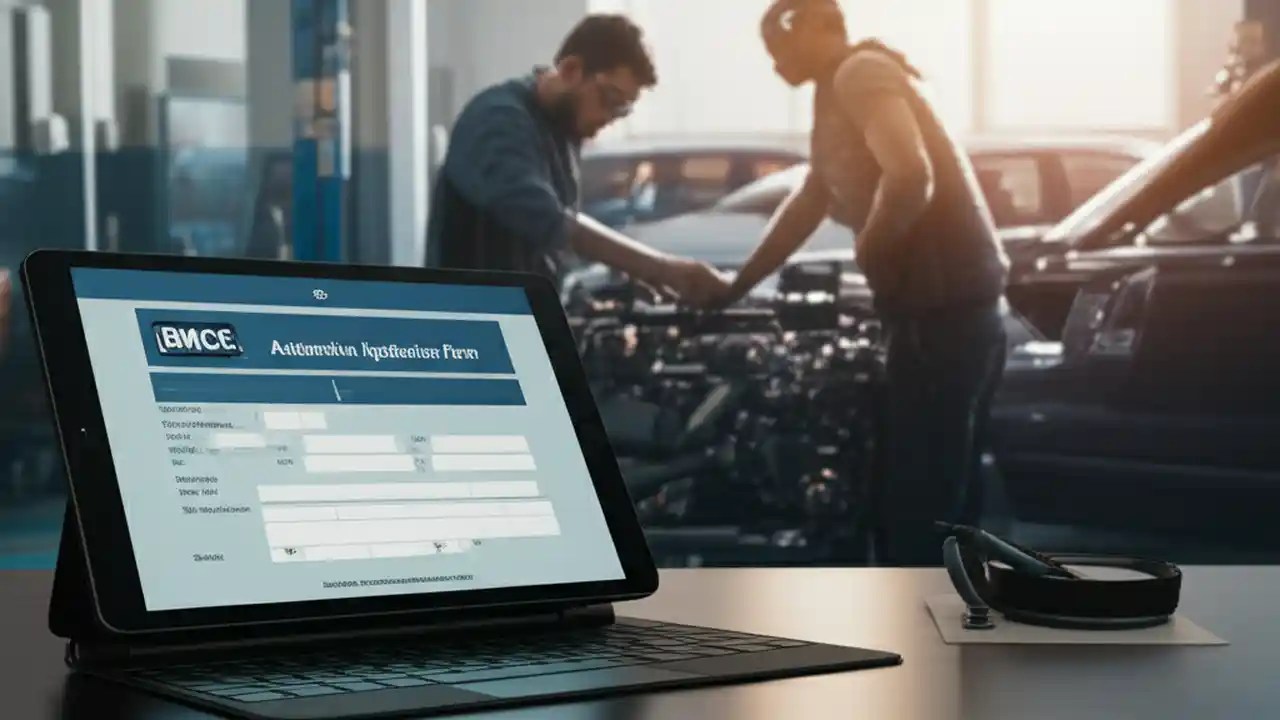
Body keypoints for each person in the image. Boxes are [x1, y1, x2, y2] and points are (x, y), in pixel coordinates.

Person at [710, 0, 1011, 565]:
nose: (775, 64)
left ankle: (918, 614)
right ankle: (941, 607)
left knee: (921, 502)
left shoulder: (860, 73)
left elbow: (910, 176)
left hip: (941, 316)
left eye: (779, 46)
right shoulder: (837, 89)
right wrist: (737, 285)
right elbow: (811, 199)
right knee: (937, 491)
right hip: (942, 315)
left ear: (813, 26)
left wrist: (870, 250)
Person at [427, 14, 727, 304]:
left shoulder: (563, 131)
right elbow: (550, 222)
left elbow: (549, 252)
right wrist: (659, 268)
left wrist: (613, 286)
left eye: (622, 110)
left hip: (516, 316)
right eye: (610, 100)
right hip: (467, 323)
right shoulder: (497, 119)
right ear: (571, 70)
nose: (610, 118)